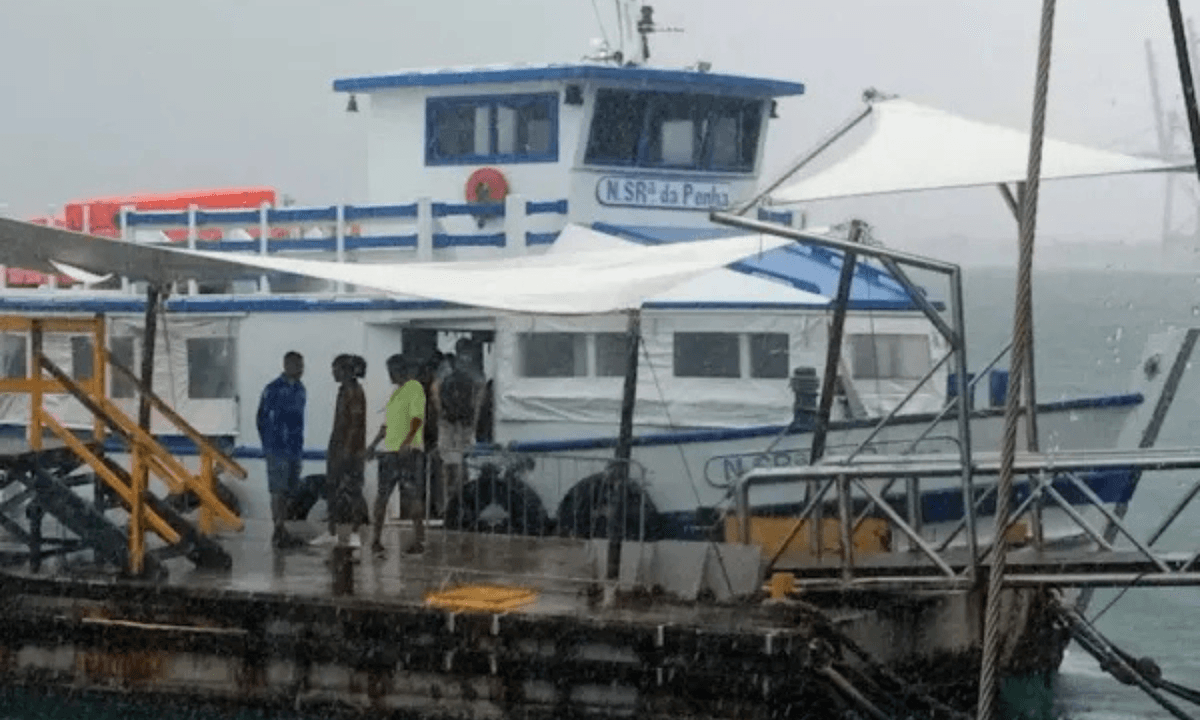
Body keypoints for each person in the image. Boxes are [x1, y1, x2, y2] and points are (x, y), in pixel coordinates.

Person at [367, 354, 426, 558]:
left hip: (408, 452)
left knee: (412, 496)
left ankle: (419, 540)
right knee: (382, 497)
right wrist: (374, 444)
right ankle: (376, 540)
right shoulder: (395, 393)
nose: (390, 375)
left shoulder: (414, 388)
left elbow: (417, 418)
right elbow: (387, 425)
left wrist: (408, 441)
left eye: (391, 371)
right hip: (389, 452)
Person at [256, 351, 306, 549]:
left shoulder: (301, 389)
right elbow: (261, 418)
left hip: (295, 448)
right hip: (277, 448)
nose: (301, 370)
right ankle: (278, 529)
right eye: (297, 366)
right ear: (286, 366)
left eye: (302, 366)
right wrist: (269, 445)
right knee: (278, 490)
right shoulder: (273, 389)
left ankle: (283, 528)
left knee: (289, 490)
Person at [432, 338, 484, 515]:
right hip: (465, 424)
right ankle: (464, 505)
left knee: (447, 464)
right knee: (466, 463)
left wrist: (441, 414)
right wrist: (474, 423)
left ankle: (447, 505)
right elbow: (479, 399)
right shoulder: (475, 370)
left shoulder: (447, 366)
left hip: (448, 423)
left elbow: (434, 390)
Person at [327, 354, 369, 549]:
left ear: (344, 370)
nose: (333, 372)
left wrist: (346, 450)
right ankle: (333, 533)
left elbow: (354, 425)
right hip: (339, 446)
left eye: (335, 369)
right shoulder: (343, 391)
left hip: (349, 450)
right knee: (335, 490)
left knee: (351, 492)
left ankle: (354, 533)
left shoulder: (353, 392)